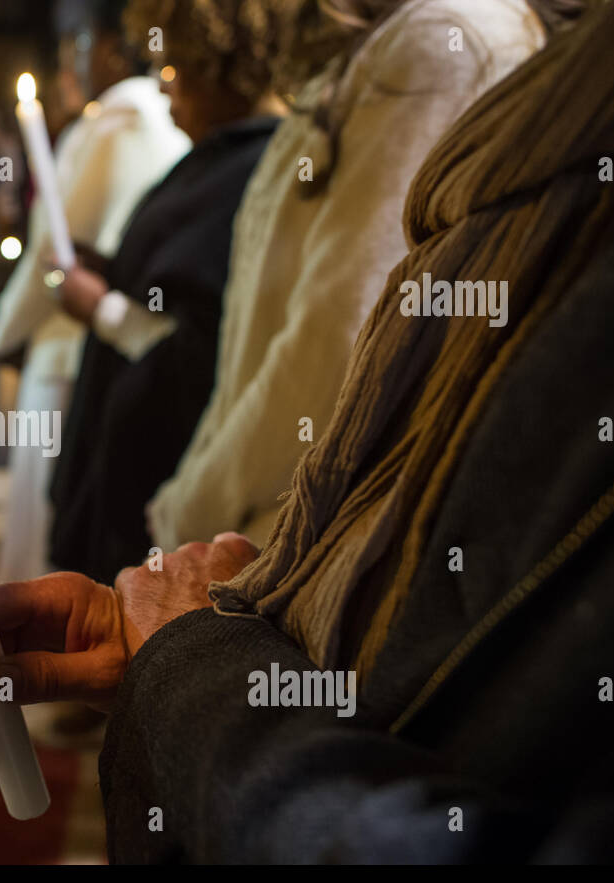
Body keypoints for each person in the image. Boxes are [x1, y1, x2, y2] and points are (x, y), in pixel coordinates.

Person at [0, 0, 614, 863]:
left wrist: (203, 653)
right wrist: (197, 649)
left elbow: (326, 358)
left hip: (298, 676)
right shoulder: (417, 70)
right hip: (276, 644)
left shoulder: (444, 47)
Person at [144, 0, 553, 553]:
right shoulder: (379, 45)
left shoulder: (445, 39)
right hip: (259, 534)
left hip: (292, 548)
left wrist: (192, 511)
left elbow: (337, 342)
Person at [49, 0, 289, 585]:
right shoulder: (219, 157)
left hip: (157, 469)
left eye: (177, 70)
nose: (165, 90)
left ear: (220, 69)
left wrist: (101, 306)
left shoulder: (255, 167)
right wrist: (113, 269)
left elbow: (200, 340)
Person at [0, 0, 190, 584]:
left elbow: (55, 249)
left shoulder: (110, 128)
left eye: (74, 46)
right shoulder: (164, 123)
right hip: (127, 342)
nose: (67, 65)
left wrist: (2, 333)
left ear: (106, 47)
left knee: (44, 522)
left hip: (67, 347)